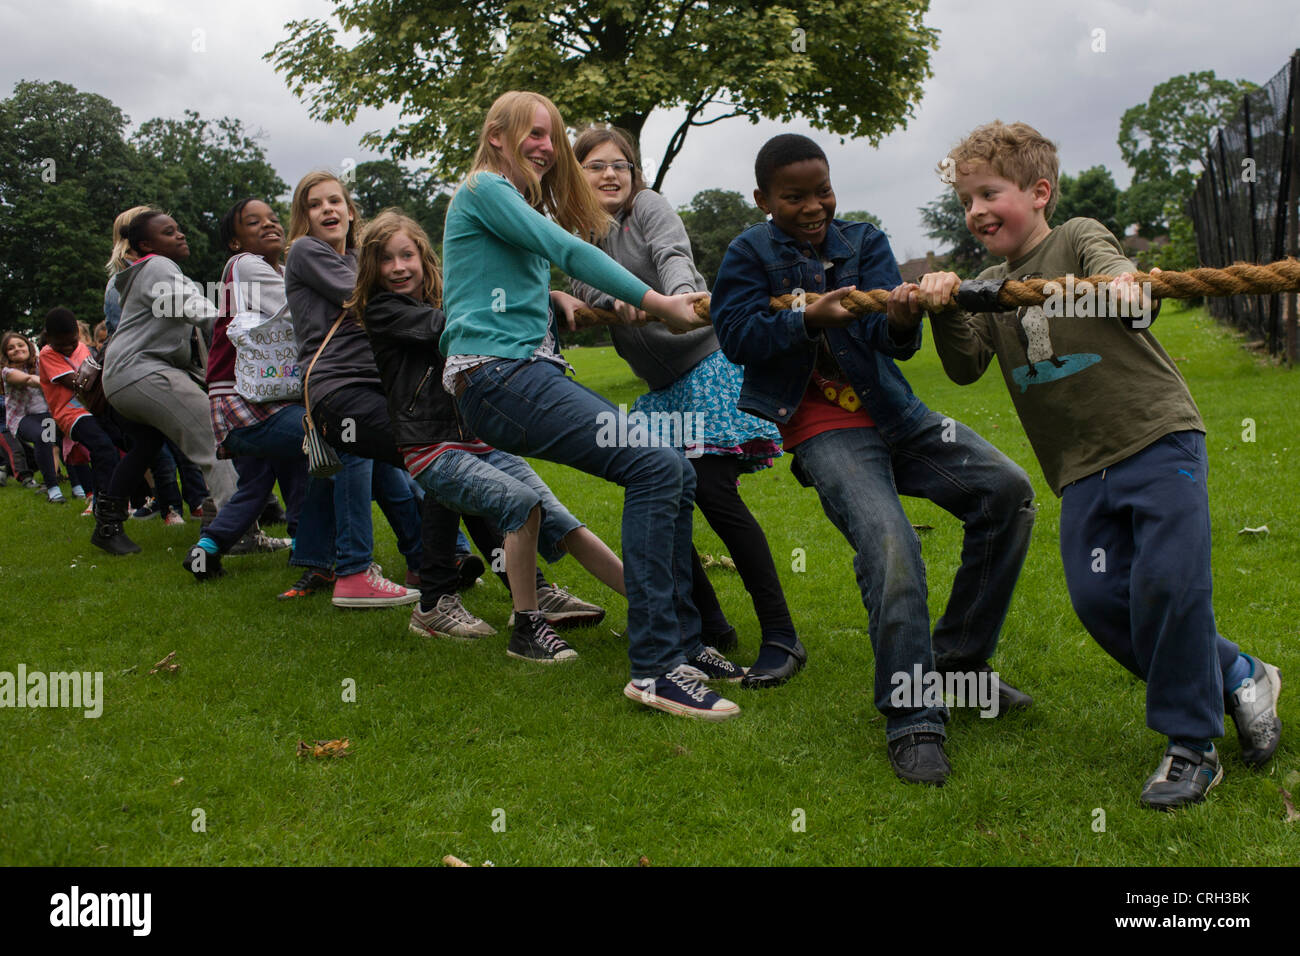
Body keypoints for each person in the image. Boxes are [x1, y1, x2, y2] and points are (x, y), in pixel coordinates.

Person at [916, 120, 1283, 808]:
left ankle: (1190, 748)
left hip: (1155, 438)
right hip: (1080, 469)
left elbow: (1116, 267)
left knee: (1169, 588)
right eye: (966, 201)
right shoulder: (992, 286)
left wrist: (1123, 283)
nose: (975, 211)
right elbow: (965, 367)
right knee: (1101, 602)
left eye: (989, 193)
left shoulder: (1074, 238)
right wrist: (941, 305)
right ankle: (1238, 670)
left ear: (1039, 191)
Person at [711, 133, 1038, 784]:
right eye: (794, 195)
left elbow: (894, 347)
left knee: (1007, 490)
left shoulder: (864, 243)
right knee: (890, 546)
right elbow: (736, 334)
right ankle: (914, 720)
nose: (813, 206)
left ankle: (959, 667)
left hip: (896, 413)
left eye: (822, 189)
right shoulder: (749, 253)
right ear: (763, 199)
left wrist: (902, 316)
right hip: (823, 428)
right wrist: (808, 319)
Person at [441, 90, 745, 720]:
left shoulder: (507, 201)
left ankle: (684, 647)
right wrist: (662, 303)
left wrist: (552, 298)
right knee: (656, 466)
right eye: (533, 133)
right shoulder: (482, 188)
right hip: (498, 377)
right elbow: (571, 250)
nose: (546, 147)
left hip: (522, 372)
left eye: (552, 136)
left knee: (672, 467)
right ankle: (659, 669)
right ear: (496, 136)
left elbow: (507, 276)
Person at [565, 125, 802, 687]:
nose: (610, 174)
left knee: (714, 493)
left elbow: (674, 256)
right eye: (596, 165)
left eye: (620, 164)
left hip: (706, 364)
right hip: (662, 390)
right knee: (662, 494)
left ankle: (781, 634)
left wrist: (676, 301)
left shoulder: (647, 206)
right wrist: (618, 299)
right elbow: (586, 287)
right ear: (577, 175)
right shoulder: (574, 234)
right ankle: (710, 626)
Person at [352, 209, 621, 657]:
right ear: (372, 270)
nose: (398, 267)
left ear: (424, 257)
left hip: (479, 440)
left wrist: (546, 294)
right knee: (522, 505)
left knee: (560, 518)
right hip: (433, 448)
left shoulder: (446, 301)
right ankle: (528, 627)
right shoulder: (386, 311)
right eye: (385, 260)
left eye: (407, 255)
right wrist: (537, 299)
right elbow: (450, 331)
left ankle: (655, 606)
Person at [283, 171, 423, 608]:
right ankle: (354, 572)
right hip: (338, 385)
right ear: (303, 217)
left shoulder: (361, 256)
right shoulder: (306, 251)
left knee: (397, 473)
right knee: (359, 467)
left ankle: (433, 558)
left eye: (335, 201)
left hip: (373, 383)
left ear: (349, 210)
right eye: (315, 204)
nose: (327, 209)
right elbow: (358, 295)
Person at [183, 198, 309, 582]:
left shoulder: (279, 269)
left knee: (254, 487)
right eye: (254, 223)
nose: (269, 225)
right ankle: (311, 549)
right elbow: (299, 308)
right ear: (235, 243)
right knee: (314, 446)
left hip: (243, 401)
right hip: (248, 401)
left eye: (273, 219)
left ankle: (206, 550)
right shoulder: (246, 266)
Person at [101, 211, 239, 537]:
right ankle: (237, 530)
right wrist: (243, 330)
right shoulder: (157, 266)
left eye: (179, 228)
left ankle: (107, 525)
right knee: (211, 434)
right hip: (140, 373)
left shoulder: (151, 272)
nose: (180, 235)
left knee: (146, 449)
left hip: (126, 377)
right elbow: (195, 307)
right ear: (147, 245)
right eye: (169, 232)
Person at [38, 308, 138, 553]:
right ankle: (105, 517)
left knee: (132, 445)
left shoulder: (83, 348)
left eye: (71, 342)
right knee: (104, 450)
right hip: (71, 414)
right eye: (60, 344)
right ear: (48, 339)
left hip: (96, 409)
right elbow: (79, 383)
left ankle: (137, 501)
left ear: (77, 335)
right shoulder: (47, 355)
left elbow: (92, 379)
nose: (67, 348)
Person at [2, 331, 65, 502]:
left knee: (54, 445)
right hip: (21, 418)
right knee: (40, 436)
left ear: (29, 347)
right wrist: (57, 381)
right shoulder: (7, 372)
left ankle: (58, 483)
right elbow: (29, 380)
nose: (16, 349)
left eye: (20, 345)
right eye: (11, 348)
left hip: (45, 415)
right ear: (6, 353)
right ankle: (53, 489)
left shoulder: (40, 363)